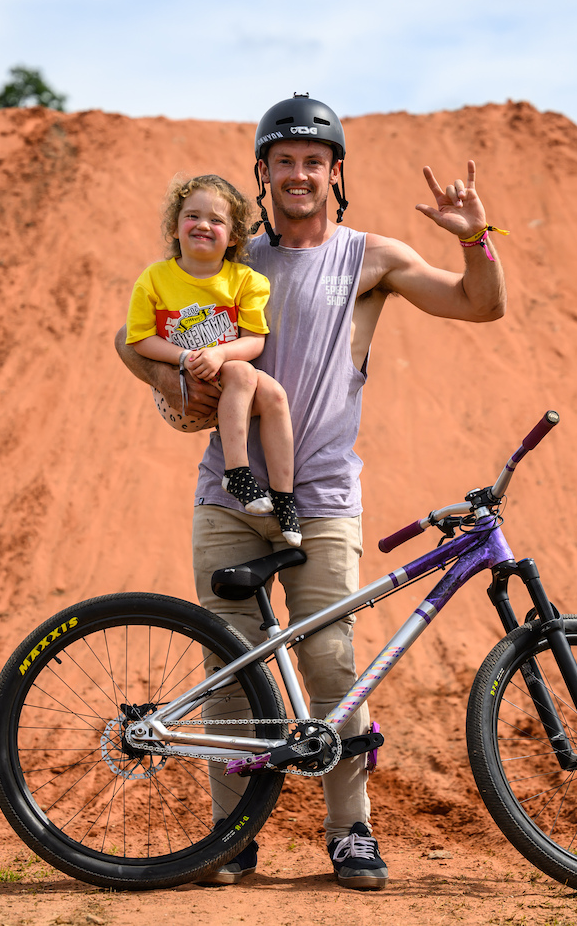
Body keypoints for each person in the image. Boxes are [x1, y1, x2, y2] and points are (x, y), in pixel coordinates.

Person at [114, 94, 506, 890]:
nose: (300, 174)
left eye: (314, 161)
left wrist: (474, 235)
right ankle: (231, 834)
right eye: (284, 161)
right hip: (228, 497)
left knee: (333, 665)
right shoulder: (230, 263)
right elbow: (128, 337)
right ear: (261, 175)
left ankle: (349, 830)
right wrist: (168, 378)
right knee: (228, 667)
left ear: (335, 173)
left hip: (323, 498)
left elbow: (480, 304)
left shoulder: (373, 257)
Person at [124, 174, 301, 545]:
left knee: (275, 396)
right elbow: (139, 338)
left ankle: (284, 498)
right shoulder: (154, 279)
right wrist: (184, 358)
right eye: (192, 216)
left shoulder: (246, 280)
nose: (203, 225)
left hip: (228, 385)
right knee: (240, 371)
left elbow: (254, 340)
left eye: (217, 220)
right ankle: (236, 472)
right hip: (181, 394)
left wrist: (219, 352)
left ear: (234, 236)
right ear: (175, 225)